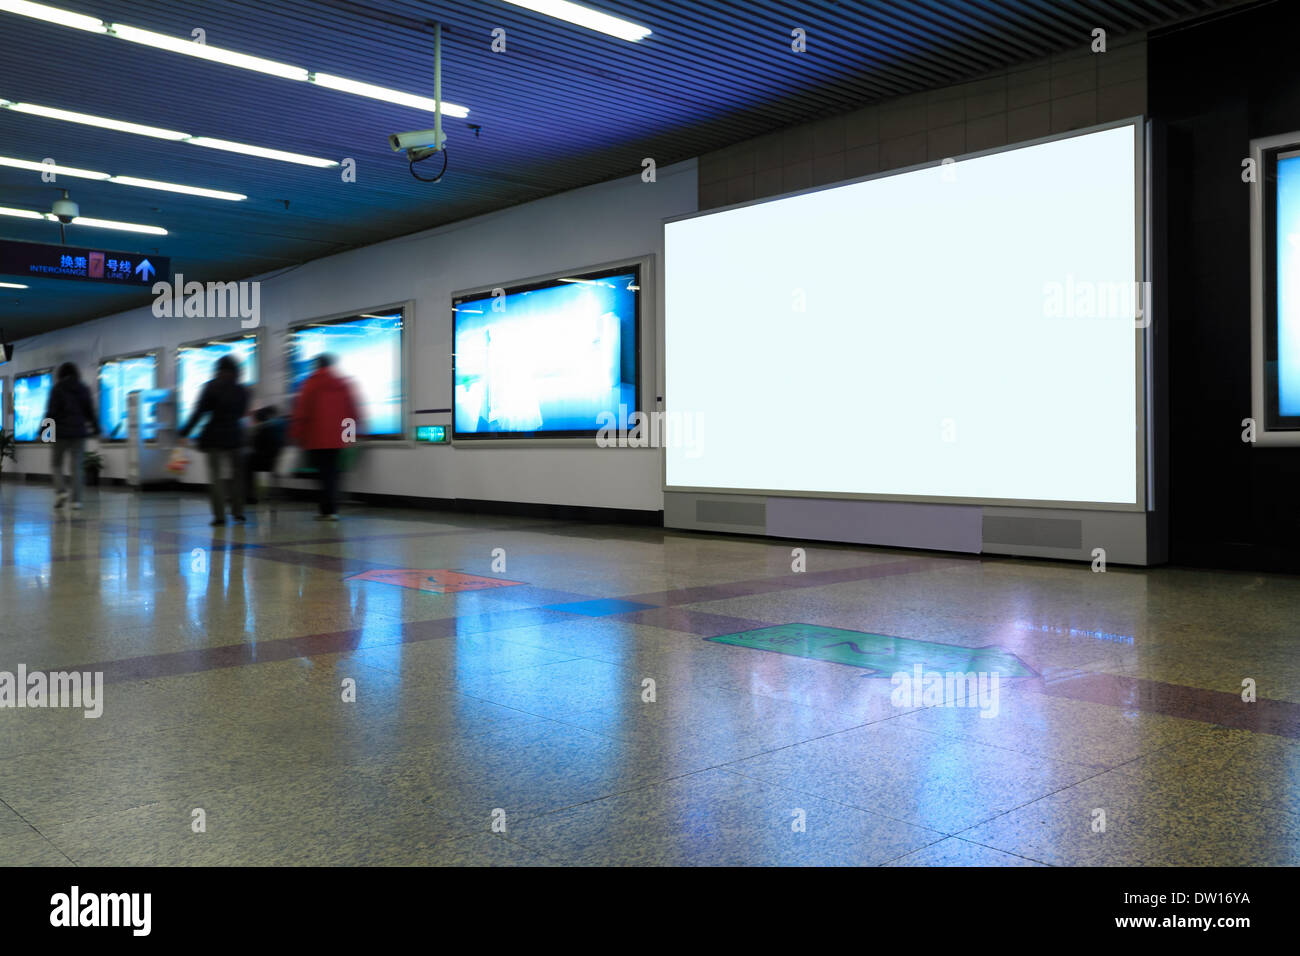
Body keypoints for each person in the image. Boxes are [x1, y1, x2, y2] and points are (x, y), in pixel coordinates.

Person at [178, 354, 250, 525]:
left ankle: (219, 516)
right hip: (235, 436)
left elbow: (199, 412)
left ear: (218, 369)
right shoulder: (242, 390)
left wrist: (185, 432)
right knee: (237, 476)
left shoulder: (211, 387)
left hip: (215, 436)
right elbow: (241, 413)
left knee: (216, 477)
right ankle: (238, 512)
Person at [290, 354, 362, 521]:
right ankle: (332, 509)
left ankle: (326, 510)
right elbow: (351, 412)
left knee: (323, 476)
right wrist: (350, 437)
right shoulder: (343, 383)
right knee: (333, 474)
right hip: (338, 439)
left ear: (317, 365)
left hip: (316, 439)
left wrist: (296, 435)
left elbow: (302, 412)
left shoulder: (310, 383)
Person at [44, 361, 99, 510]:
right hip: (79, 433)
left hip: (60, 433)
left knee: (56, 464)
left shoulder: (57, 389)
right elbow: (90, 411)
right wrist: (96, 428)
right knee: (77, 467)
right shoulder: (83, 388)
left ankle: (61, 491)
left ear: (61, 374)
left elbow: (51, 412)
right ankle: (76, 501)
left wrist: (43, 433)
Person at [243, 405, 286, 505]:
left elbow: (255, 446)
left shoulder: (263, 428)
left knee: (247, 463)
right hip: (275, 461)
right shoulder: (280, 425)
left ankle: (250, 496)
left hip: (265, 462)